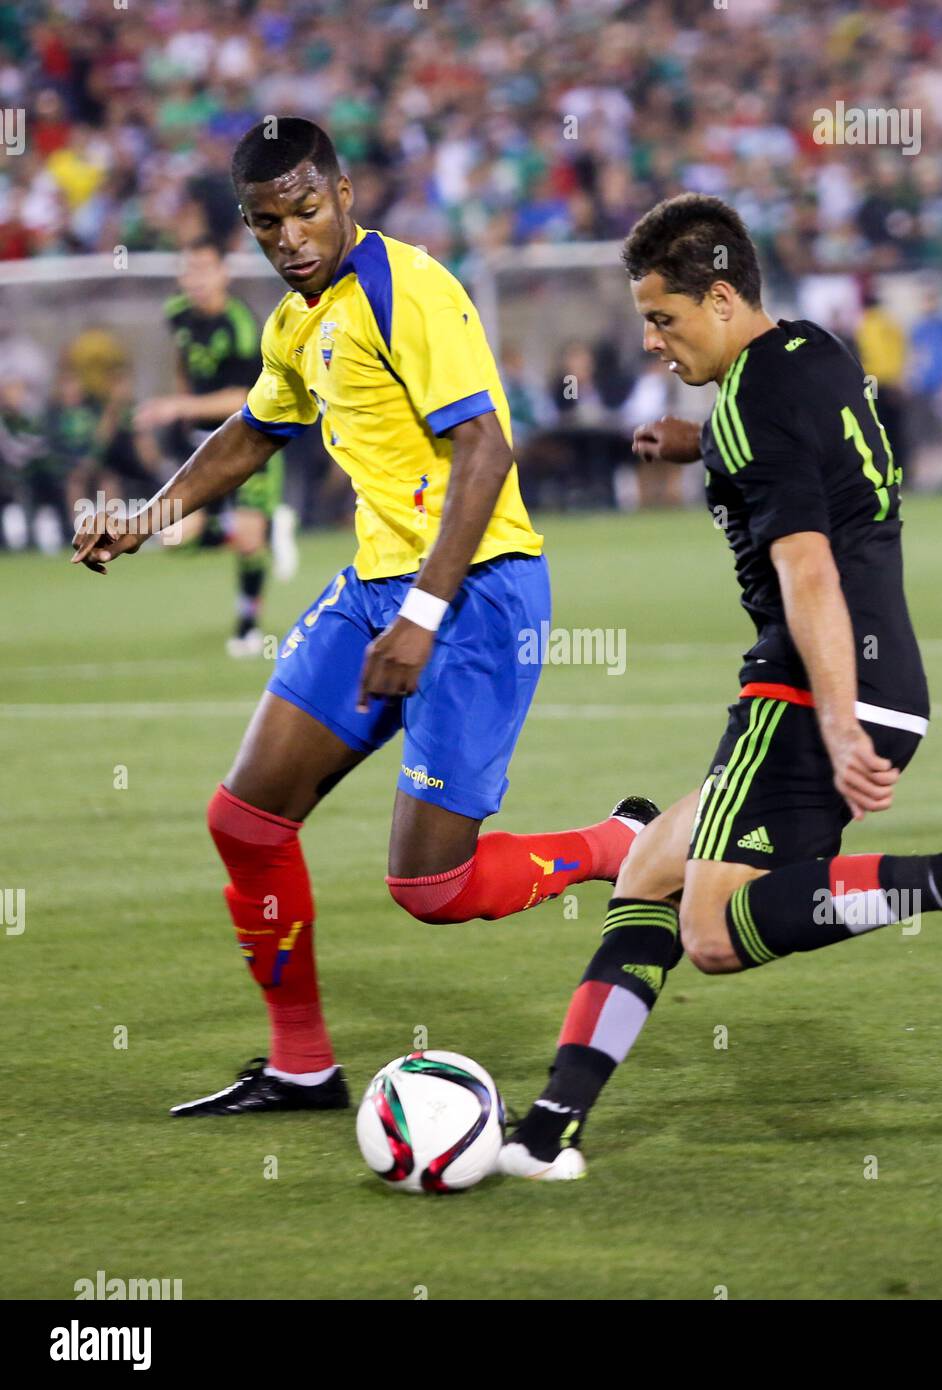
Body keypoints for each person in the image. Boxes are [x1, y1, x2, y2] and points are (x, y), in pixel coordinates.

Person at [72, 118, 655, 1117]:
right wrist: (145, 517)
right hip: (376, 590)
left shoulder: (406, 287)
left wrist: (425, 614)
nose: (291, 235)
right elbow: (253, 432)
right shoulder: (297, 321)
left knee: (431, 889)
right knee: (246, 822)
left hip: (476, 592)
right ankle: (301, 1064)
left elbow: (484, 451)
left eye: (306, 209)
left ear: (345, 194)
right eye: (267, 223)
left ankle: (617, 844)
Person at [500, 194, 942, 1181]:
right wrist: (696, 445)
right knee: (648, 871)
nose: (652, 340)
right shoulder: (809, 351)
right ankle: (547, 1133)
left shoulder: (753, 403)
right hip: (878, 674)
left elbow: (806, 565)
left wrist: (838, 719)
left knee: (713, 932)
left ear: (720, 297)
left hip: (811, 684)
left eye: (665, 317)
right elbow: (801, 465)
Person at [135, 237, 297, 656]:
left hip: (253, 437)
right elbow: (182, 363)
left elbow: (245, 399)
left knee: (248, 543)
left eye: (206, 270)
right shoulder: (178, 314)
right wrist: (183, 415)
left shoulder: (242, 326)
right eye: (190, 271)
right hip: (202, 440)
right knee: (174, 538)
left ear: (224, 274)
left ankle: (247, 627)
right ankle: (261, 530)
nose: (198, 280)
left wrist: (177, 406)